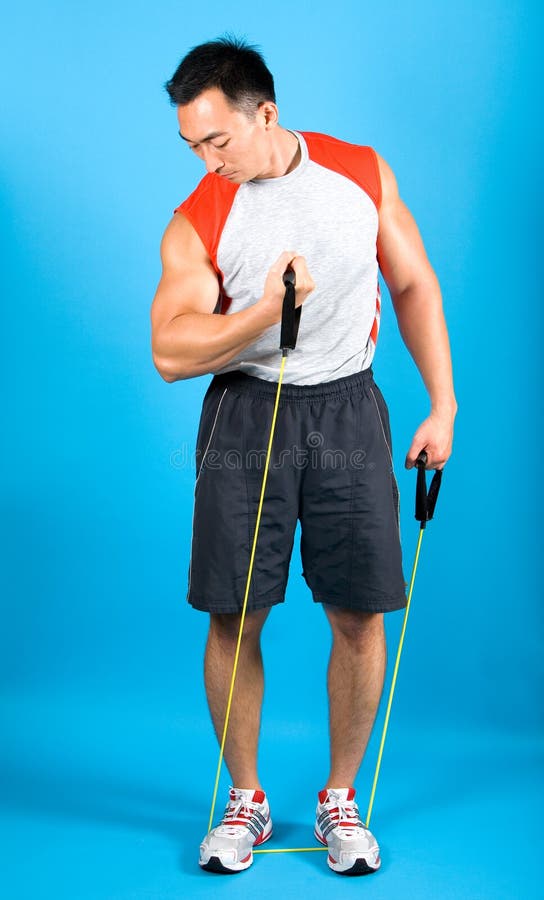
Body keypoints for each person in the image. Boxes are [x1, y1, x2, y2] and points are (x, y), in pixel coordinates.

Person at [151, 36, 457, 877]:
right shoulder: (202, 215)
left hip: (350, 407)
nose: (209, 163)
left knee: (359, 613)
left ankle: (340, 799)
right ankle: (245, 797)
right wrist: (260, 311)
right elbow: (170, 352)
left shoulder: (360, 173)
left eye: (219, 141)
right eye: (193, 147)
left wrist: (444, 402)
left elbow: (413, 284)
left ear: (267, 114)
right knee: (235, 613)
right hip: (248, 416)